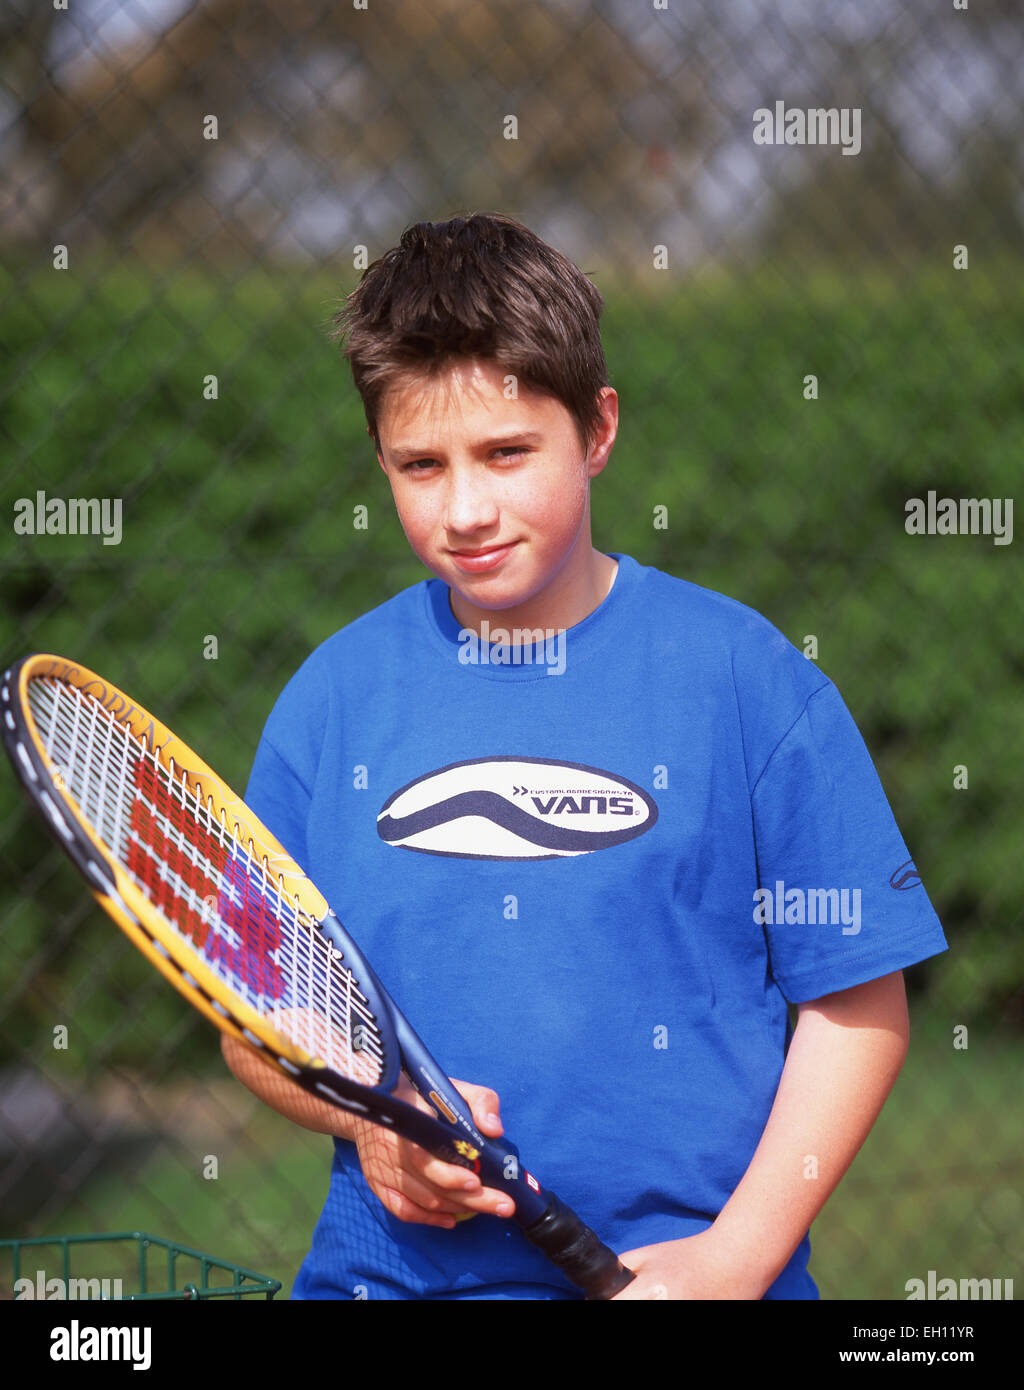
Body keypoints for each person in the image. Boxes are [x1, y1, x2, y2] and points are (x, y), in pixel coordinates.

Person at [220, 212, 947, 1300]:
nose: (465, 508)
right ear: (380, 457)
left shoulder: (746, 680)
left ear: (597, 430)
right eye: (421, 465)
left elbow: (857, 1006)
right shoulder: (333, 698)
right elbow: (253, 1022)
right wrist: (368, 1120)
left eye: (508, 452)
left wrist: (733, 1259)